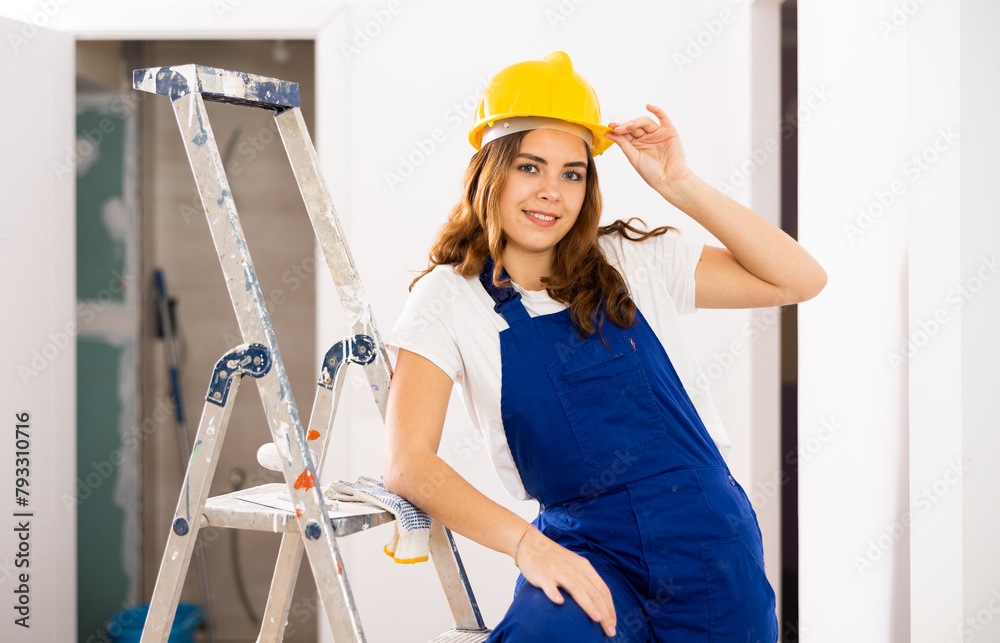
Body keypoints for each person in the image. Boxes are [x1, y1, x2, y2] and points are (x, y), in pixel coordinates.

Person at [382, 51, 826, 642]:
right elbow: (409, 463)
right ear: (490, 169)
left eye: (572, 173)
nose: (552, 193)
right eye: (530, 167)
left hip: (708, 545)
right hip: (585, 551)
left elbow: (798, 279)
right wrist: (527, 546)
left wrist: (679, 184)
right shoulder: (450, 297)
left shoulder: (631, 260)